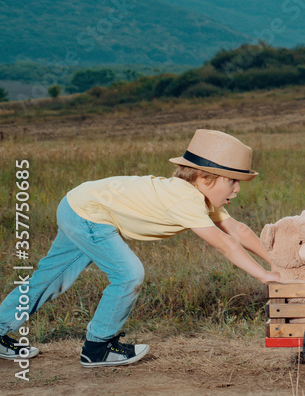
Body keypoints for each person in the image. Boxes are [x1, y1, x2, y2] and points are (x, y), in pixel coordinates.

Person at [0, 129, 281, 367]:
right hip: (89, 213)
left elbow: (238, 231)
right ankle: (98, 348)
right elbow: (224, 243)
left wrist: (276, 262)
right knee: (128, 274)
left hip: (78, 204)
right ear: (206, 178)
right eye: (232, 181)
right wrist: (264, 276)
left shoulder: (198, 197)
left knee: (51, 277)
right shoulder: (186, 200)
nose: (237, 189)